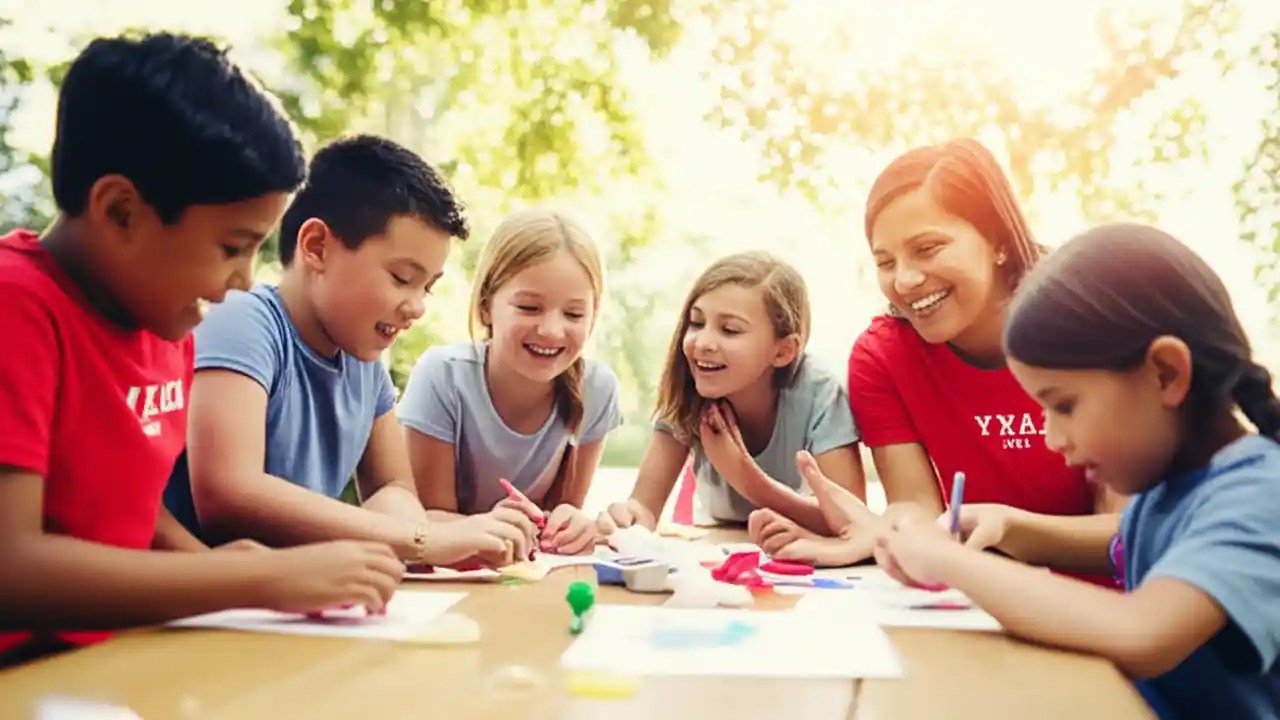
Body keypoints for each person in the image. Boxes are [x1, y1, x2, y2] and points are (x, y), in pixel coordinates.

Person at [0, 33, 402, 667]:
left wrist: (221, 567)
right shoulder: (17, 307)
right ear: (121, 210)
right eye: (232, 247)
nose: (244, 279)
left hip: (114, 661)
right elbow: (13, 567)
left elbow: (126, 508)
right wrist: (253, 580)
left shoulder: (166, 324)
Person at [876, 224, 1280, 719]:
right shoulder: (1168, 490)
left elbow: (1142, 633)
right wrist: (1006, 525)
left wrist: (944, 561)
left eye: (1064, 405)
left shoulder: (1259, 496)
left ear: (1165, 373)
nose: (1052, 438)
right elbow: (1115, 549)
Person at [165, 134, 536, 567]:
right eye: (401, 278)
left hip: (292, 605)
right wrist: (420, 540)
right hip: (196, 606)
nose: (416, 306)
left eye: (428, 287)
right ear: (317, 247)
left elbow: (391, 489)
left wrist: (443, 544)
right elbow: (228, 493)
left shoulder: (363, 360)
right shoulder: (243, 321)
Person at [762, 139, 1114, 567]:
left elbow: (1127, 531)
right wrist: (884, 536)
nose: (905, 280)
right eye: (886, 262)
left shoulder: (1090, 328)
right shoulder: (883, 358)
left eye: (928, 249)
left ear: (999, 241)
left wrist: (1007, 530)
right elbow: (916, 511)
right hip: (977, 598)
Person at [400, 209, 622, 555]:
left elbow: (563, 515)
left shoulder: (597, 389)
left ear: (593, 317)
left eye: (574, 314)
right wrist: (487, 528)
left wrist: (575, 526)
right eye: (530, 308)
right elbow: (426, 517)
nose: (551, 330)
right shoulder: (443, 375)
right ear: (487, 306)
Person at [602, 251, 863, 534]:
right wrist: (626, 517)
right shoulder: (689, 390)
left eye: (730, 330)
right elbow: (644, 509)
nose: (702, 342)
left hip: (798, 557)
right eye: (697, 322)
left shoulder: (818, 393)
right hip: (717, 546)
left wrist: (747, 479)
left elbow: (852, 521)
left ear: (783, 350)